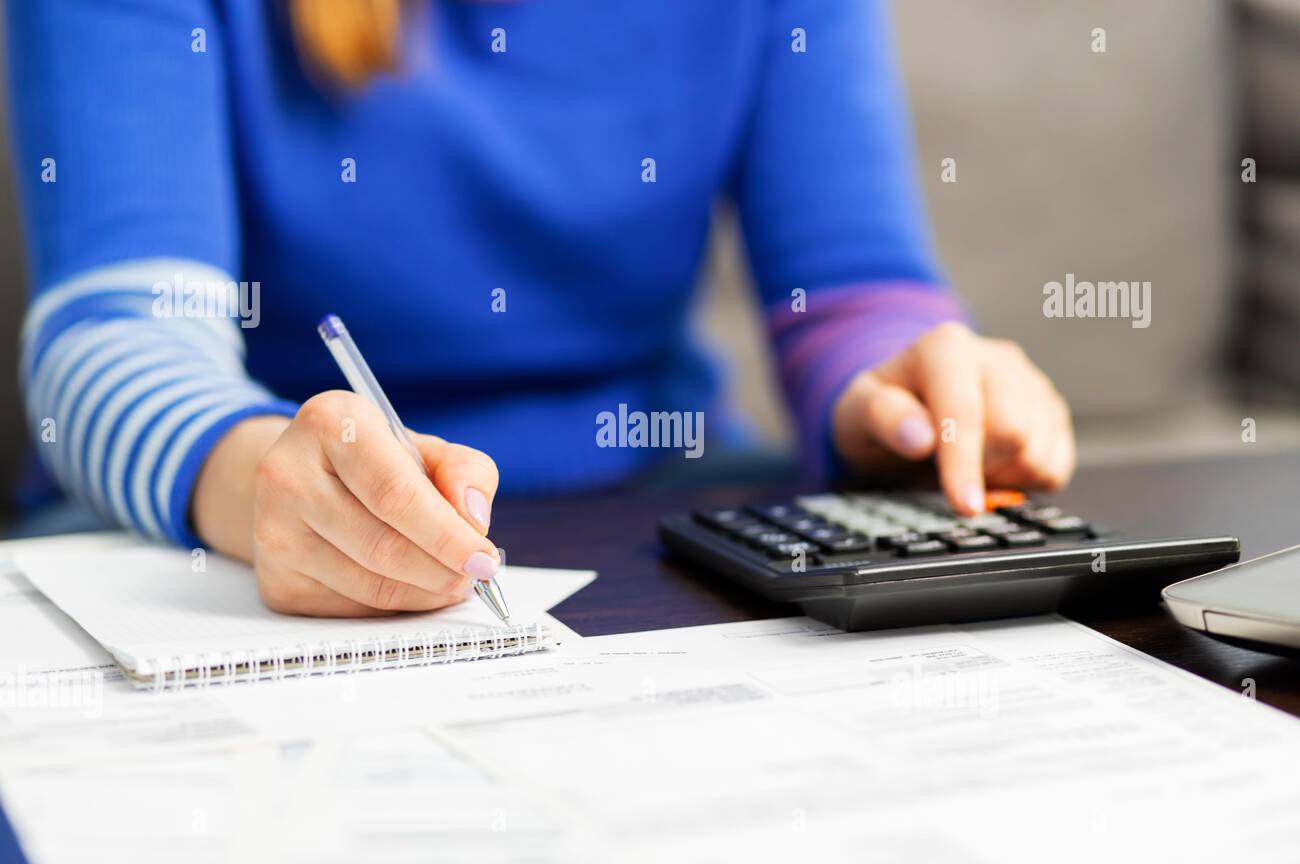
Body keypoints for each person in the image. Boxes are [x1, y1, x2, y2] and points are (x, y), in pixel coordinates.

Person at [6, 0, 1074, 617]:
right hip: (220, 549)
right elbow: (115, 331)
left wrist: (899, 389)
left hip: (657, 515)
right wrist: (251, 480)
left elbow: (847, 287)